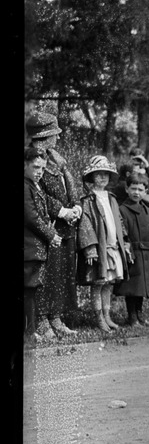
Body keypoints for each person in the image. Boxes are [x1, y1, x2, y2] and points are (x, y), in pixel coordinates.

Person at [26, 111, 82, 337]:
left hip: (65, 226)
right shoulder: (33, 160)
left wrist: (76, 206)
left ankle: (56, 318)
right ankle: (41, 320)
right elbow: (43, 196)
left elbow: (70, 189)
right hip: (50, 228)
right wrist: (62, 211)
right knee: (45, 278)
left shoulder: (57, 159)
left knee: (61, 275)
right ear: (45, 136)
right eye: (54, 134)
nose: (57, 138)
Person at [77, 155, 130, 332]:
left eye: (105, 174)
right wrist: (90, 248)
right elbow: (85, 225)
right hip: (99, 249)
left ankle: (108, 315)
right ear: (91, 178)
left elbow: (119, 221)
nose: (102, 178)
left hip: (113, 246)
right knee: (98, 283)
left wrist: (125, 242)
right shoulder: (87, 201)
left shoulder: (112, 198)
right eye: (98, 174)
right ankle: (99, 317)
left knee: (109, 283)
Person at [114, 172, 149, 327]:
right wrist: (126, 246)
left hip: (146, 253)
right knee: (132, 287)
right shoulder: (122, 209)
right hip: (133, 252)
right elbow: (121, 231)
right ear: (127, 189)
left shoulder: (147, 209)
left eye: (140, 189)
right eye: (133, 188)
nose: (136, 192)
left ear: (146, 191)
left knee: (142, 286)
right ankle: (132, 317)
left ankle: (140, 316)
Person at [24, 146, 62, 343]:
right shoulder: (25, 186)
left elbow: (44, 213)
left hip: (35, 249)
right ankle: (29, 332)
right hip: (29, 248)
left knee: (31, 290)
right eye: (35, 167)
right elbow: (31, 217)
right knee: (28, 291)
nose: (39, 172)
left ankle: (30, 331)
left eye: (42, 168)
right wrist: (50, 235)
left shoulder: (35, 186)